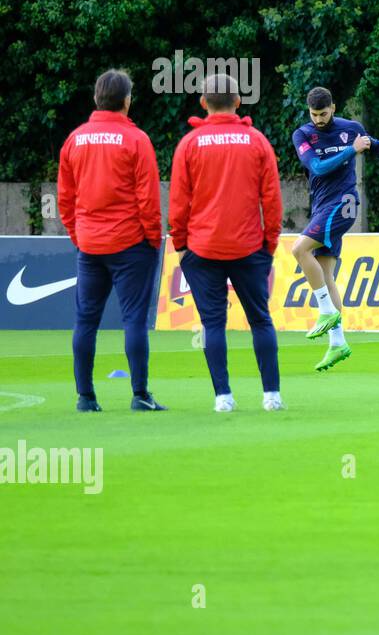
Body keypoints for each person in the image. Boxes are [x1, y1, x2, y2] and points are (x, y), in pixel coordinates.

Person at [290, 87, 379, 371]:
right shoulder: (302, 134)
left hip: (344, 202)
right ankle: (338, 343)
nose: (319, 119)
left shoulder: (351, 128)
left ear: (333, 107)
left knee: (299, 249)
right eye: (314, 114)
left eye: (324, 113)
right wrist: (349, 150)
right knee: (326, 271)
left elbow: (375, 145)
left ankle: (327, 313)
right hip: (322, 205)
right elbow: (317, 167)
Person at [169, 74, 284, 411]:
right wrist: (269, 243)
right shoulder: (257, 141)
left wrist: (180, 244)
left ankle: (223, 397)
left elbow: (178, 201)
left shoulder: (189, 144)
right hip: (249, 248)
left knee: (212, 324)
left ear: (203, 103)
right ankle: (272, 396)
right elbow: (272, 200)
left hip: (202, 249)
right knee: (260, 320)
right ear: (238, 102)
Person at [56, 69, 166, 411]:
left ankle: (85, 397)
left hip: (90, 245)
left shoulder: (75, 139)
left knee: (85, 321)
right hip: (131, 244)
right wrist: (152, 240)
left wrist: (79, 235)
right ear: (127, 100)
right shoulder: (136, 140)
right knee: (133, 320)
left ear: (95, 98)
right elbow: (148, 198)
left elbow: (65, 197)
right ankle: (139, 395)